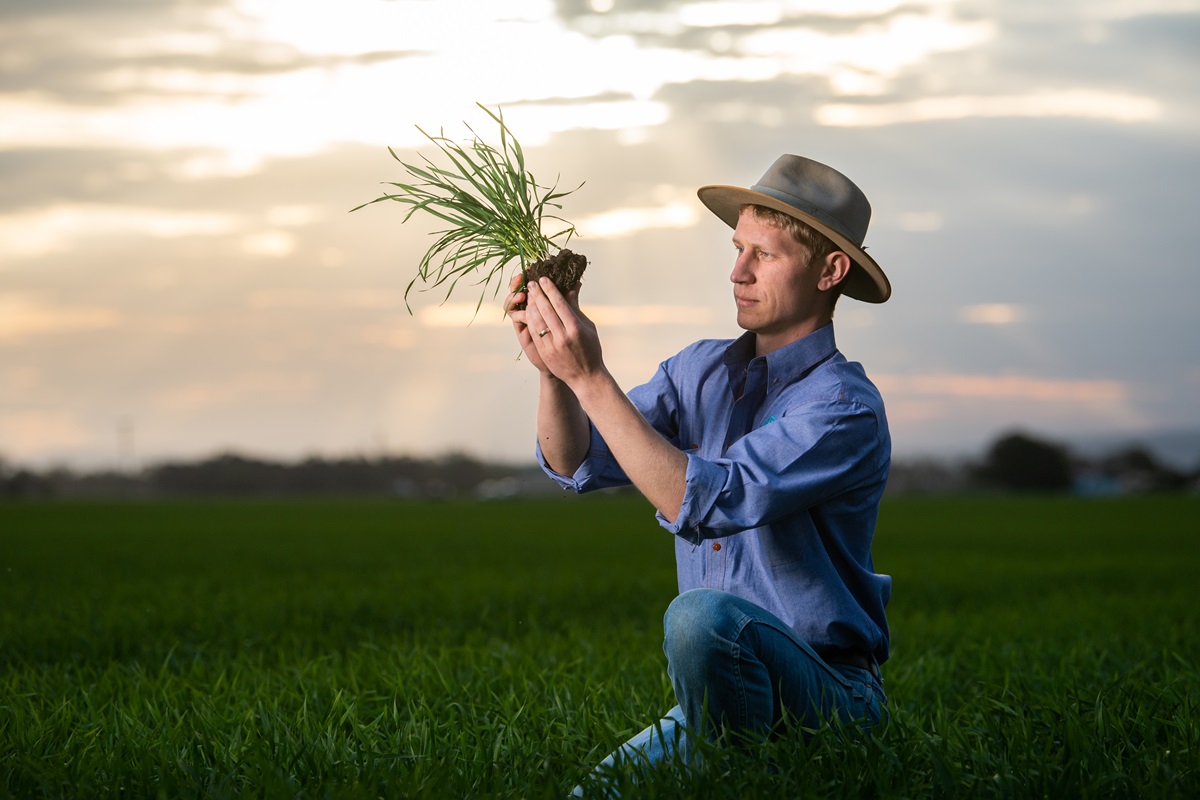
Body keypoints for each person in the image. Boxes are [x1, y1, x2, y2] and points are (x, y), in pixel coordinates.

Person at [504, 154, 893, 792]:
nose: (737, 271)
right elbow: (577, 460)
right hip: (719, 702)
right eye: (738, 248)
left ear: (830, 270)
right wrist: (553, 369)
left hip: (827, 698)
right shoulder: (698, 371)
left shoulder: (841, 408)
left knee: (700, 617)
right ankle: (738, 771)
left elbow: (700, 502)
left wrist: (590, 377)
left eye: (763, 255)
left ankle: (747, 780)